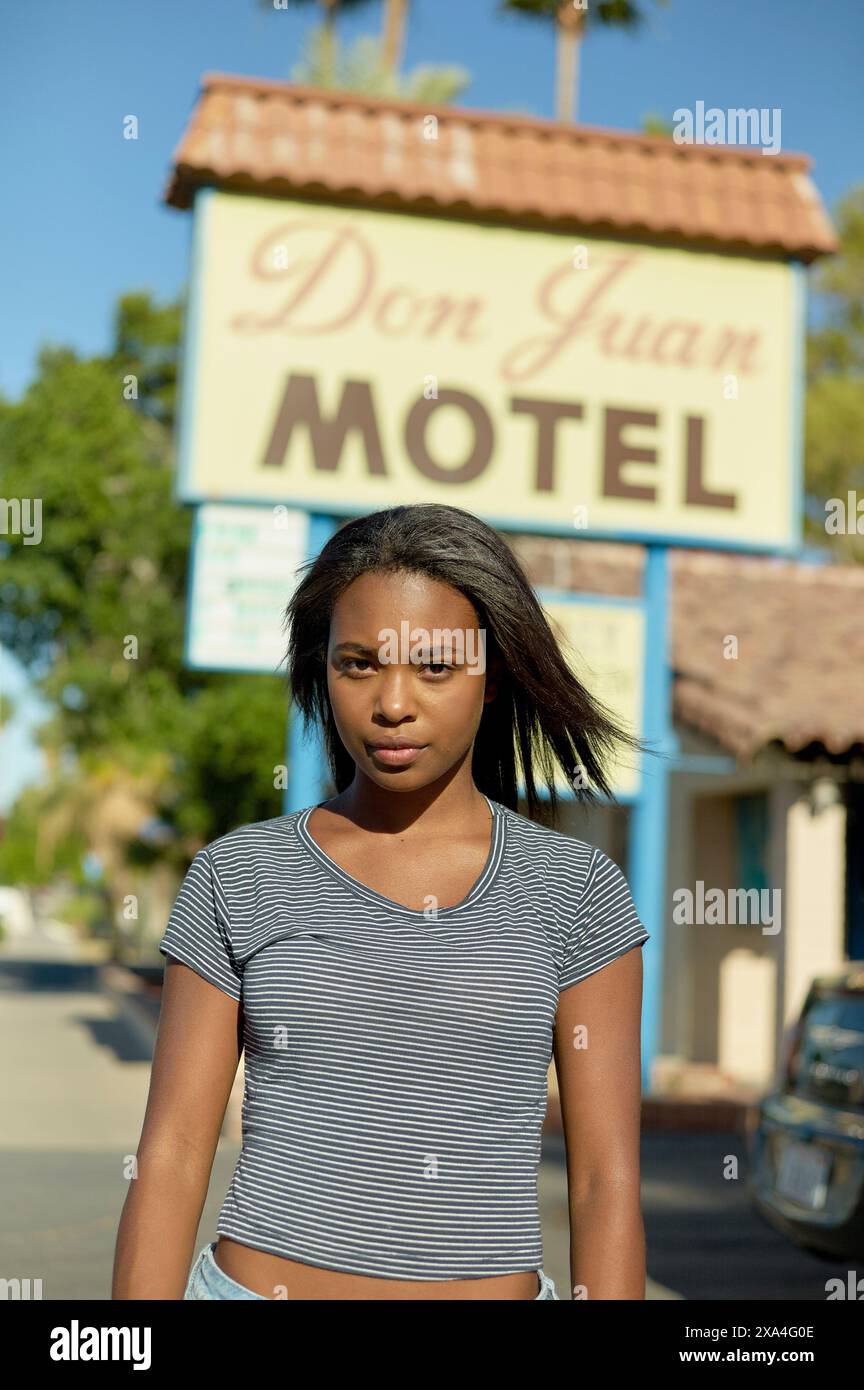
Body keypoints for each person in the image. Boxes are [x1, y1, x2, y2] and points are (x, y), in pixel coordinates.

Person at [112, 502, 651, 1301]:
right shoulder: (240, 875)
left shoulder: (575, 892)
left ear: (493, 676)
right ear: (321, 670)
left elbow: (605, 1184)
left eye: (435, 667)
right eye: (358, 664)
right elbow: (173, 1153)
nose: (392, 703)